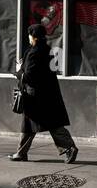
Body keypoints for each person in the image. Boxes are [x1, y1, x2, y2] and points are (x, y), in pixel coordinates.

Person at [10, 24, 78, 164]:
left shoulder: (35, 52)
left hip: (36, 96)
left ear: (33, 37)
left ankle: (69, 147)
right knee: (33, 124)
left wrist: (19, 70)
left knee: (48, 124)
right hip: (48, 94)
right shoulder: (47, 49)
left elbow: (29, 76)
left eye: (29, 35)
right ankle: (21, 153)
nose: (28, 38)